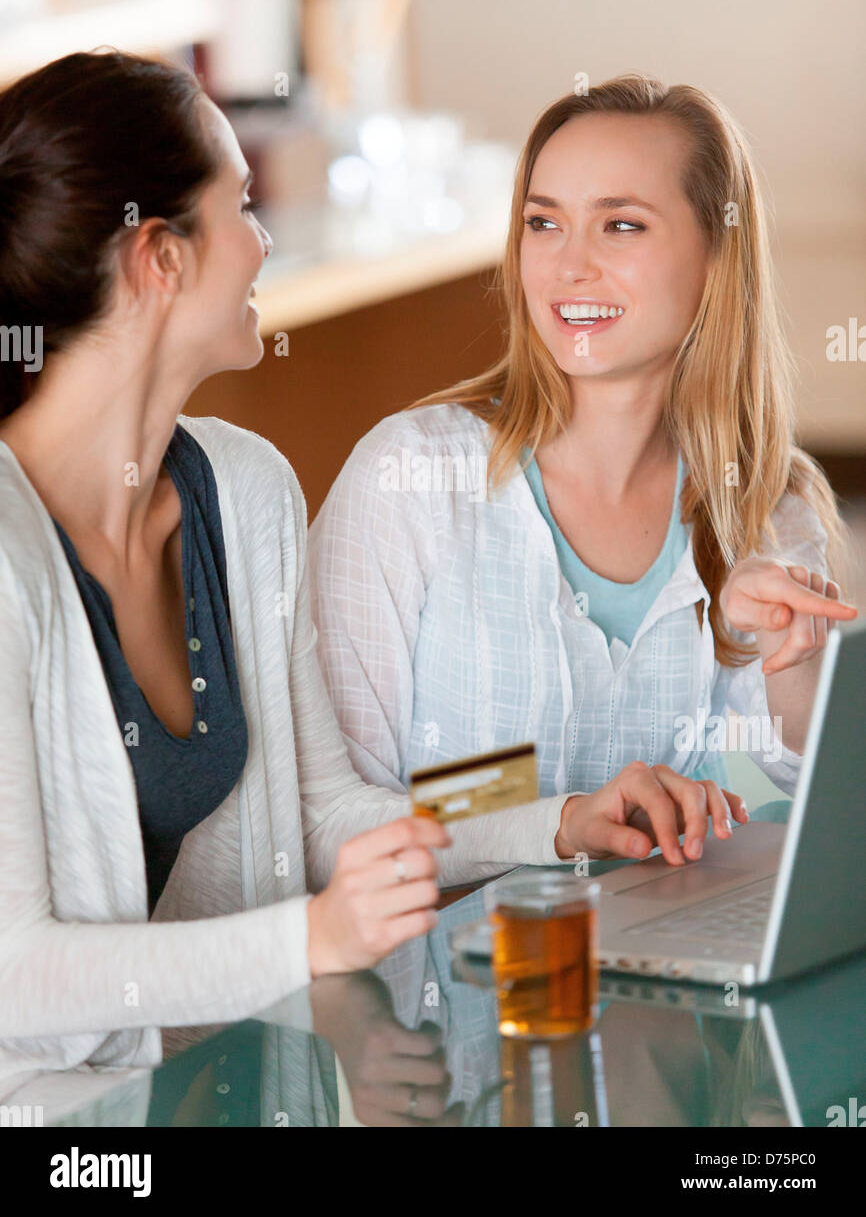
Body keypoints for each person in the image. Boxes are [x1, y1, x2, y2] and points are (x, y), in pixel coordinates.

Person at [0, 49, 584, 1076]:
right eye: (240, 206)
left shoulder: (247, 490)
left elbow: (324, 813)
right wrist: (310, 939)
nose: (264, 239)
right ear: (159, 257)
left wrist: (560, 819)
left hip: (203, 1091)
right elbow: (15, 972)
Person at [308, 73, 857, 861]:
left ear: (716, 256)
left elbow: (801, 811)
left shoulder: (769, 503)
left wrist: (789, 666)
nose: (569, 267)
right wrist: (559, 818)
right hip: (438, 972)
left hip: (662, 969)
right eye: (543, 223)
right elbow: (329, 824)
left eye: (622, 226)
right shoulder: (410, 478)